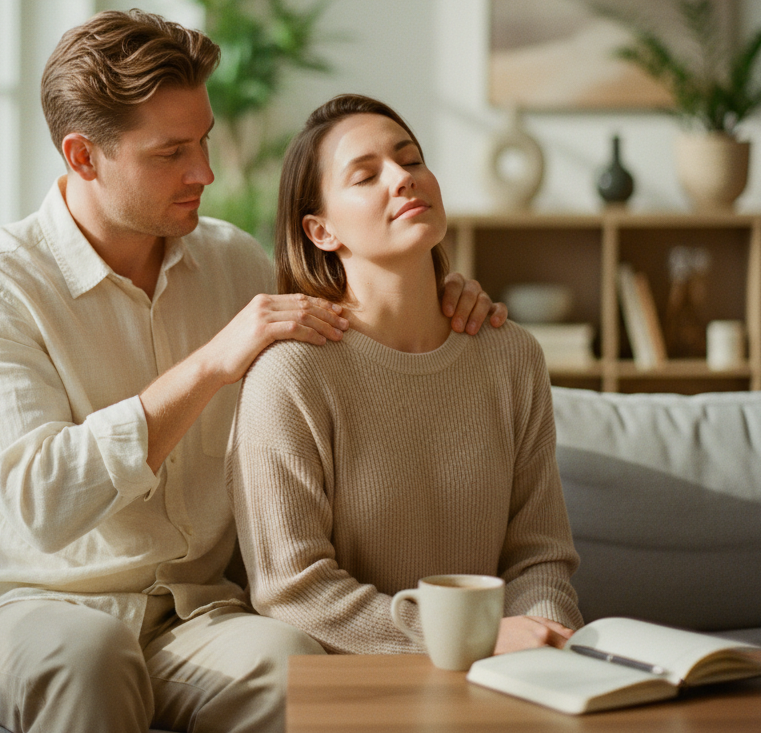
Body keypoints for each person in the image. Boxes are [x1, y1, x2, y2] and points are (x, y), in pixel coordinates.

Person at [0, 11, 506, 733]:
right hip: (27, 609)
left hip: (196, 616)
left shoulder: (234, 263)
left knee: (298, 667)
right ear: (82, 157)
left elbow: (360, 314)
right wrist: (207, 367)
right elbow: (42, 504)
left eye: (202, 141)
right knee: (88, 655)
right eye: (170, 154)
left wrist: (447, 294)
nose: (205, 172)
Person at [226, 93, 582, 658]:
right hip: (363, 677)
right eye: (365, 176)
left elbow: (538, 557)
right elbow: (293, 590)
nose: (402, 178)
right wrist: (469, 639)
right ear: (321, 231)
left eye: (411, 159)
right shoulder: (290, 374)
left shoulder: (511, 355)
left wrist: (544, 638)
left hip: (510, 673)